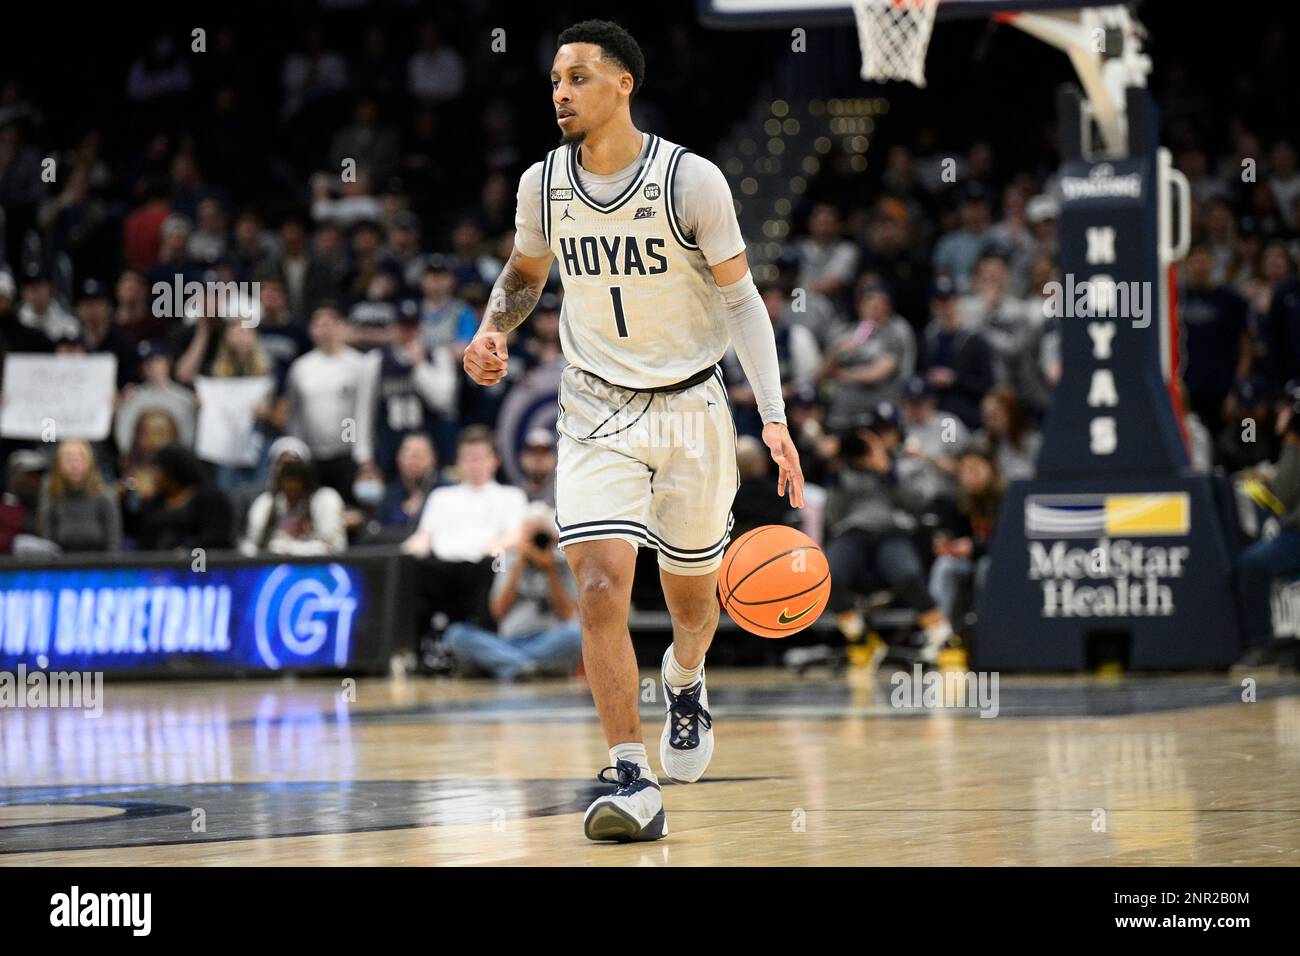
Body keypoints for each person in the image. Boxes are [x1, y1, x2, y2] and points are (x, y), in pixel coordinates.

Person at [462, 20, 804, 843]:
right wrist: (491, 328)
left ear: (623, 84)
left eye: (576, 77)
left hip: (693, 407)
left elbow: (742, 302)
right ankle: (628, 774)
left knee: (692, 598)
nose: (560, 93)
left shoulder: (692, 182)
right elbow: (524, 271)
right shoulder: (542, 186)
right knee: (603, 585)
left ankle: (685, 678)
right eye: (552, 81)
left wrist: (776, 417)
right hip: (594, 410)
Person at [444, 506, 583, 681]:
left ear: (551, 538)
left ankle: (505, 664)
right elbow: (498, 611)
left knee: (576, 635)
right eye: (529, 538)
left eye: (539, 537)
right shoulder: (507, 560)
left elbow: (567, 614)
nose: (534, 544)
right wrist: (519, 565)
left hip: (548, 640)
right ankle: (529, 667)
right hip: (509, 640)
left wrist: (550, 570)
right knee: (456, 634)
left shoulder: (562, 563)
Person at [1233, 396, 1300, 670]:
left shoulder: (1294, 445)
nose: (1279, 414)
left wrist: (1291, 442)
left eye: (1285, 411)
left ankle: (1261, 644)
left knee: (1252, 563)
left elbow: (1280, 498)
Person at [928, 445, 1004, 632]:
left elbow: (1011, 543)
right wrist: (947, 544)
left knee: (986, 567)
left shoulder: (1008, 498)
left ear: (991, 468)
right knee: (945, 565)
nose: (970, 475)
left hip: (1002, 562)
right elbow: (953, 534)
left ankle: (986, 630)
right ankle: (938, 631)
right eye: (964, 471)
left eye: (975, 468)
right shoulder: (959, 502)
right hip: (970, 561)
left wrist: (975, 547)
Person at [240, 457, 346, 556]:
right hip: (274, 565)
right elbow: (253, 544)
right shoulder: (267, 502)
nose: (292, 497)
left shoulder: (325, 499)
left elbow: (334, 547)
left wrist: (289, 548)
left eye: (296, 492)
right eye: (287, 492)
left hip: (316, 566)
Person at [36, 440, 122, 553]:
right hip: (61, 566)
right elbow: (47, 543)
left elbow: (113, 544)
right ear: (58, 464)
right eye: (68, 459)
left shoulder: (105, 496)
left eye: (80, 459)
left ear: (90, 462)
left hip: (98, 566)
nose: (74, 465)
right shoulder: (52, 496)